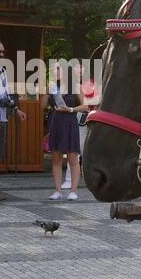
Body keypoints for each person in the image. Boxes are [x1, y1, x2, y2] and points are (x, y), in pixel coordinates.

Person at [44, 68, 89, 200]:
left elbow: (86, 106)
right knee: (56, 158)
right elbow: (43, 105)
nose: (55, 72)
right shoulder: (53, 87)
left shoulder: (76, 86)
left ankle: (73, 191)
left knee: (72, 158)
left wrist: (70, 109)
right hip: (55, 123)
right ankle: (57, 191)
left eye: (58, 70)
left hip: (70, 123)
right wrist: (46, 93)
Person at [0, 38, 28, 201]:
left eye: (3, 52)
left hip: (1, 118)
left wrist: (16, 109)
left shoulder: (2, 72)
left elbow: (6, 95)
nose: (1, 54)